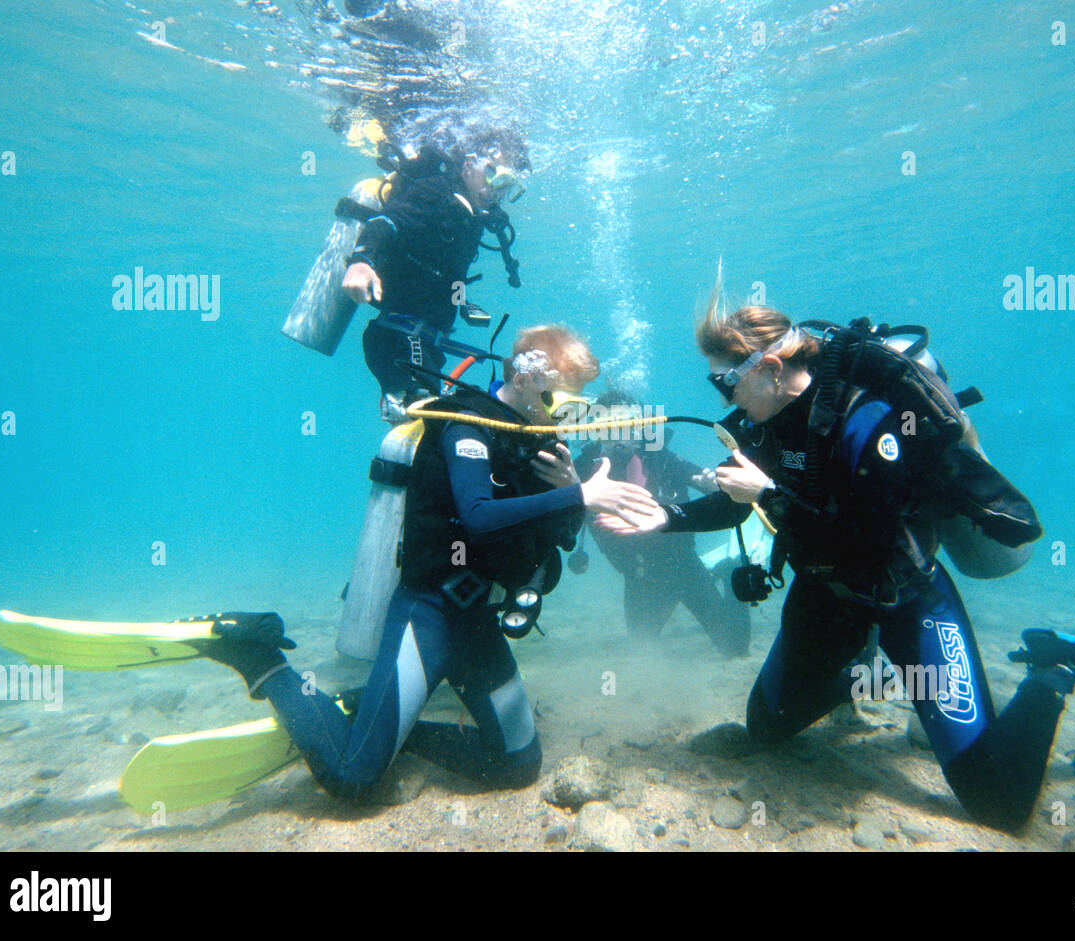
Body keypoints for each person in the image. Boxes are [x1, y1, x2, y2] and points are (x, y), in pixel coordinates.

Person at [597, 299, 1075, 833]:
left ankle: (1054, 670)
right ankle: (862, 673)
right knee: (766, 729)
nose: (725, 398)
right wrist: (666, 516)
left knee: (998, 799)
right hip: (826, 597)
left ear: (770, 370)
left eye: (726, 384)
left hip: (907, 600)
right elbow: (733, 498)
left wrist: (770, 495)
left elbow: (871, 544)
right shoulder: (764, 426)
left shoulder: (868, 421)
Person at [204, 326, 661, 797]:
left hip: (478, 621)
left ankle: (380, 722)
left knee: (516, 764)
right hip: (431, 612)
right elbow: (479, 518)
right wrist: (580, 493)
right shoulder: (466, 424)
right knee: (353, 778)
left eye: (577, 408)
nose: (566, 416)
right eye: (563, 400)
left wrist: (568, 489)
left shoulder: (532, 440)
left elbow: (558, 543)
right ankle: (260, 658)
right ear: (526, 376)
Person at [343, 124, 529, 419]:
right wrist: (362, 260)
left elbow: (445, 275)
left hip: (426, 341)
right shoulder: (434, 192)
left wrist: (461, 303)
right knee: (425, 416)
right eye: (493, 175)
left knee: (438, 416)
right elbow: (387, 222)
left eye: (508, 184)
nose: (496, 190)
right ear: (468, 163)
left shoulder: (473, 216)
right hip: (397, 339)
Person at [571, 391, 752, 657]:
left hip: (683, 565)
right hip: (638, 574)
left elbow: (703, 481)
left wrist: (712, 482)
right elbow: (560, 515)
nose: (623, 435)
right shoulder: (581, 470)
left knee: (734, 647)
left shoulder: (663, 459)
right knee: (643, 650)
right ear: (596, 430)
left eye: (630, 425)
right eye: (611, 426)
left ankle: (726, 572)